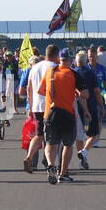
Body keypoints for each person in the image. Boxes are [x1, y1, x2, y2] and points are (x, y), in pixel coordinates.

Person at [41, 47, 84, 184]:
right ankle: (63, 173)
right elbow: (85, 94)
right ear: (71, 60)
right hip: (67, 114)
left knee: (50, 144)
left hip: (50, 114)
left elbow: (41, 91)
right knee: (67, 144)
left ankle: (50, 164)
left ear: (60, 59)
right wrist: (74, 93)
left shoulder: (50, 72)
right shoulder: (74, 74)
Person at [21, 45, 58, 173]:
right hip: (50, 106)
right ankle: (50, 163)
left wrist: (30, 107)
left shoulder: (34, 67)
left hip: (36, 106)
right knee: (52, 137)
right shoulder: (54, 67)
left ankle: (29, 157)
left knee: (39, 135)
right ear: (56, 55)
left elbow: (29, 88)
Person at [73, 50, 103, 170]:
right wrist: (102, 106)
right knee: (94, 133)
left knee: (80, 135)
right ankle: (84, 152)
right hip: (90, 105)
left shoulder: (73, 72)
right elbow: (96, 91)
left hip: (75, 106)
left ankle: (82, 159)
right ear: (86, 61)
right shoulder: (90, 73)